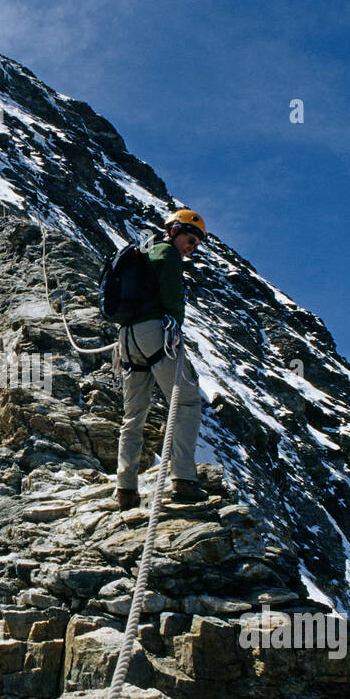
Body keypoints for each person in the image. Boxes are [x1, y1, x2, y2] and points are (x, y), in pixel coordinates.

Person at [114, 208, 207, 509]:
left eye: (195, 244)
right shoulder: (167, 255)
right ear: (175, 230)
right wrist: (176, 328)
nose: (191, 247)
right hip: (155, 331)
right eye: (190, 239)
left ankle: (125, 488)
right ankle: (182, 479)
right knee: (187, 400)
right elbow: (171, 299)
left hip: (127, 338)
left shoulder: (144, 252)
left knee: (133, 415)